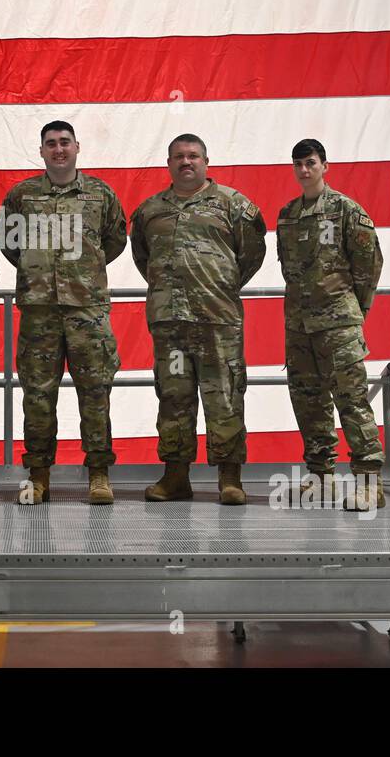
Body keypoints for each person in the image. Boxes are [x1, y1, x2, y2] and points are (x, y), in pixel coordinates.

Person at [130, 134, 267, 504]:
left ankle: (230, 479)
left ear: (206, 161)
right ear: (168, 163)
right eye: (178, 156)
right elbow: (143, 259)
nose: (185, 162)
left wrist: (218, 285)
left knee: (224, 398)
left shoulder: (233, 206)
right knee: (174, 398)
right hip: (170, 324)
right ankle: (176, 477)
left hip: (217, 321)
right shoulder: (149, 211)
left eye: (193, 156)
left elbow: (251, 255)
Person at [0, 121, 127, 505]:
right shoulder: (21, 196)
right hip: (39, 313)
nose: (58, 149)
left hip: (87, 310)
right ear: (41, 151)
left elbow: (114, 240)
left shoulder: (101, 195)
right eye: (51, 144)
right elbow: (10, 244)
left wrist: (83, 274)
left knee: (95, 393)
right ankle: (38, 477)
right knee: (37, 396)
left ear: (77, 147)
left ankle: (99, 474)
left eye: (65, 143)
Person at [276, 138, 386, 511]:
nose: (304, 170)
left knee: (352, 402)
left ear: (325, 166)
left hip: (338, 326)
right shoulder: (287, 215)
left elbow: (369, 265)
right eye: (298, 164)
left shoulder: (346, 211)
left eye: (310, 163)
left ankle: (370, 483)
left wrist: (354, 310)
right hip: (299, 327)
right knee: (309, 404)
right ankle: (321, 478)